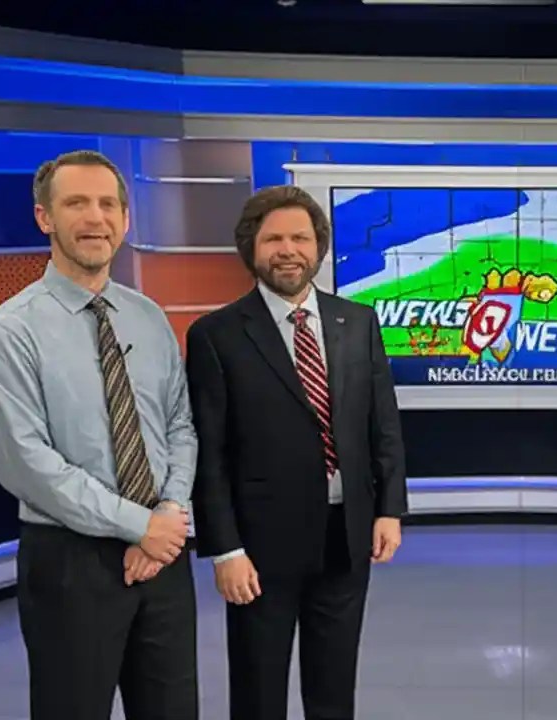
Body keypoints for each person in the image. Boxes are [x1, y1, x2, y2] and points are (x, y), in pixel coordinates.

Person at [0, 150, 198, 720]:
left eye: (107, 204)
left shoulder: (148, 317)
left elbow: (180, 426)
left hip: (163, 556)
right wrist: (139, 526)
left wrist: (165, 515)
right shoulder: (8, 331)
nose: (95, 218)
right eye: (76, 203)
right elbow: (26, 464)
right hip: (70, 562)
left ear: (124, 219)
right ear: (45, 217)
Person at [186, 184, 408, 720]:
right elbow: (207, 453)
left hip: (346, 535)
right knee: (259, 692)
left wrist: (389, 509)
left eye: (300, 238)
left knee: (334, 689)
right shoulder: (216, 335)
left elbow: (383, 424)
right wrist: (225, 550)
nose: (288, 249)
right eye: (274, 238)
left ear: (319, 246)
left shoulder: (357, 321)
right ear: (252, 248)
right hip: (260, 549)